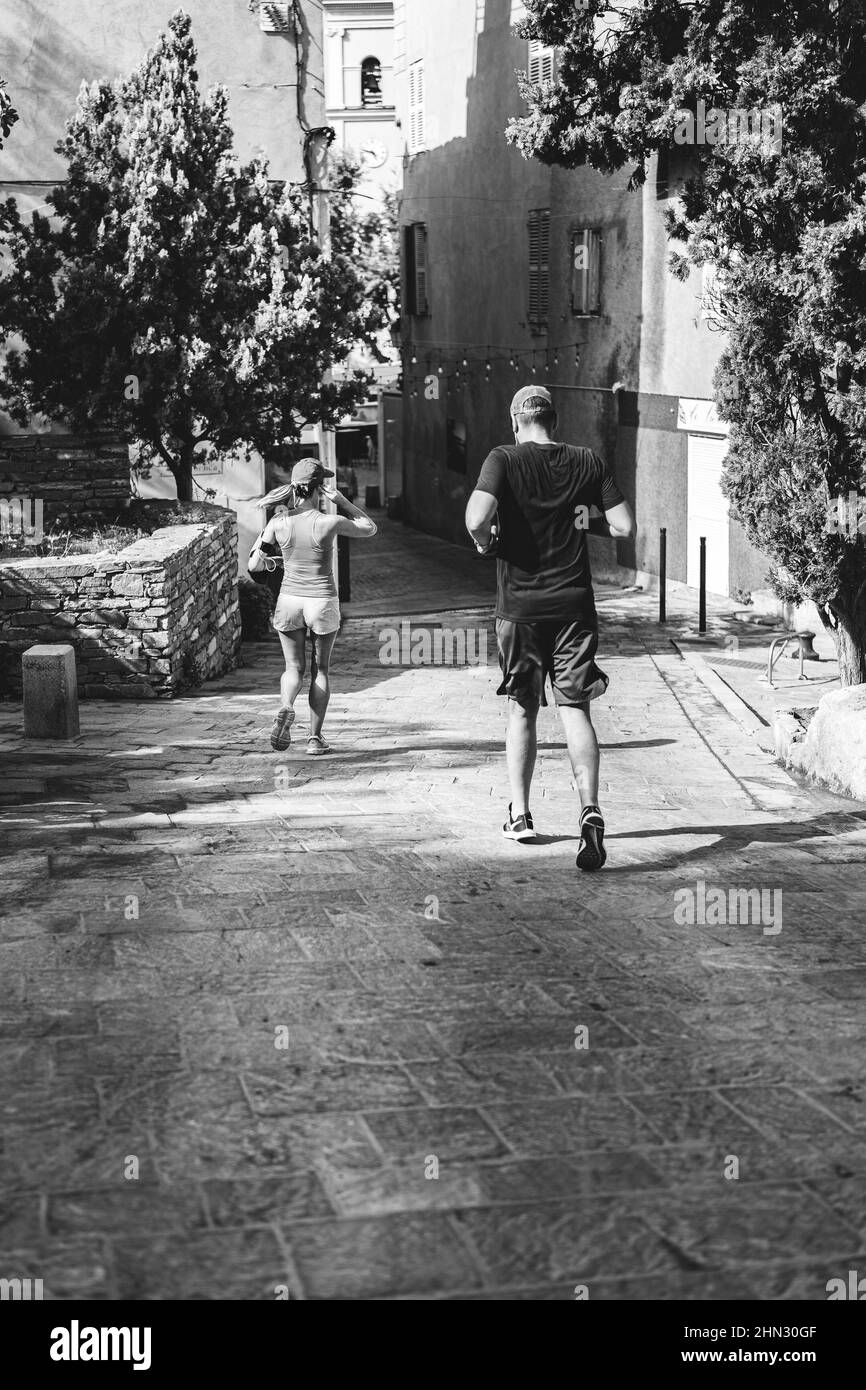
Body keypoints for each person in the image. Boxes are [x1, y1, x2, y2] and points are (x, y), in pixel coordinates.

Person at [465, 385, 635, 871]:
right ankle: (590, 811)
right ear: (554, 421)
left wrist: (486, 542)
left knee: (522, 710)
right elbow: (624, 526)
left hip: (519, 609)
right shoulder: (587, 461)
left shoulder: (503, 459)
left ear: (515, 421)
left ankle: (520, 814)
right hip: (574, 608)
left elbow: (475, 517)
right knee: (575, 710)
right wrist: (585, 519)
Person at [249, 459, 377, 755]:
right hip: (321, 601)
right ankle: (315, 740)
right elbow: (369, 528)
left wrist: (274, 558)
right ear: (320, 489)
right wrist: (343, 501)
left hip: (290, 600)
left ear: (294, 487)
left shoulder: (278, 523)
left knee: (293, 668)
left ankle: (285, 707)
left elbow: (254, 564)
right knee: (321, 670)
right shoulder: (328, 521)